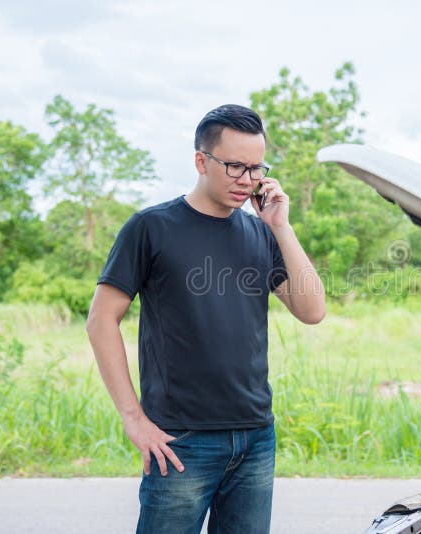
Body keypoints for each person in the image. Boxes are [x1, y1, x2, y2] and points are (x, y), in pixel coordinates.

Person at [86, 104, 326, 534]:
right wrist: (133, 418)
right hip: (181, 441)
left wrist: (280, 227)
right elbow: (101, 320)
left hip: (255, 436)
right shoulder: (151, 228)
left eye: (257, 168)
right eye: (235, 166)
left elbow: (312, 311)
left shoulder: (260, 233)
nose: (248, 180)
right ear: (201, 160)